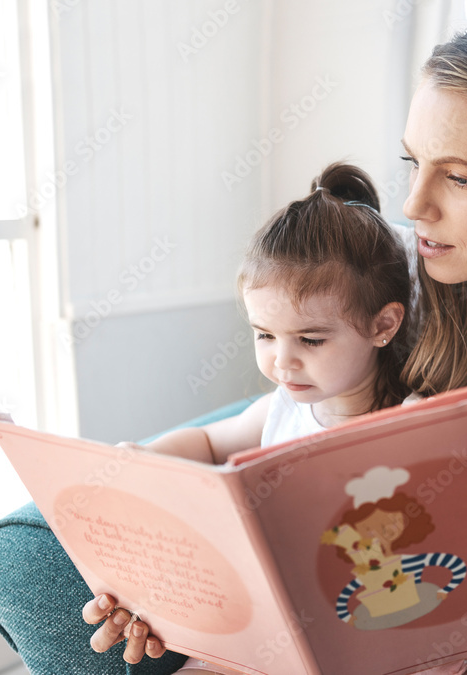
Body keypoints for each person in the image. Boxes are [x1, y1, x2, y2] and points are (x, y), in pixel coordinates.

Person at [85, 12, 467, 674]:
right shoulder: (382, 277)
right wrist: (157, 578)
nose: (414, 204)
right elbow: (281, 420)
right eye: (413, 163)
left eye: (460, 178)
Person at [84, 161, 416, 670]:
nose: (282, 361)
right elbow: (206, 443)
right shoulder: (280, 411)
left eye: (310, 339)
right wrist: (141, 460)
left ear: (383, 325)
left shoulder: (412, 423)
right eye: (264, 334)